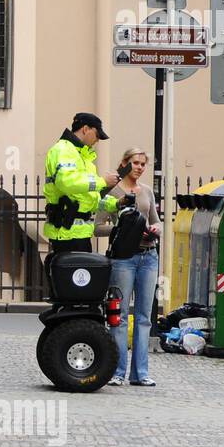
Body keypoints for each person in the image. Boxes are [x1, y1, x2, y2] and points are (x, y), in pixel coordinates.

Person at [95, 147, 163, 387]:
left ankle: (140, 373)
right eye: (135, 163)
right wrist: (121, 230)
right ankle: (117, 372)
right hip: (123, 258)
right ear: (125, 163)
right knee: (119, 316)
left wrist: (156, 229)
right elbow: (97, 226)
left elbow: (157, 221)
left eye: (143, 164)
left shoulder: (146, 192)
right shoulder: (112, 192)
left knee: (144, 317)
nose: (140, 168)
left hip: (148, 256)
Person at [43, 112, 120, 254]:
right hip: (66, 232)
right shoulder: (64, 149)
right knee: (73, 274)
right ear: (85, 129)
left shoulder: (82, 156)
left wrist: (115, 204)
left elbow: (87, 196)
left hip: (78, 233)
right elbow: (66, 182)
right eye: (97, 135)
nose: (97, 140)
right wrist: (102, 181)